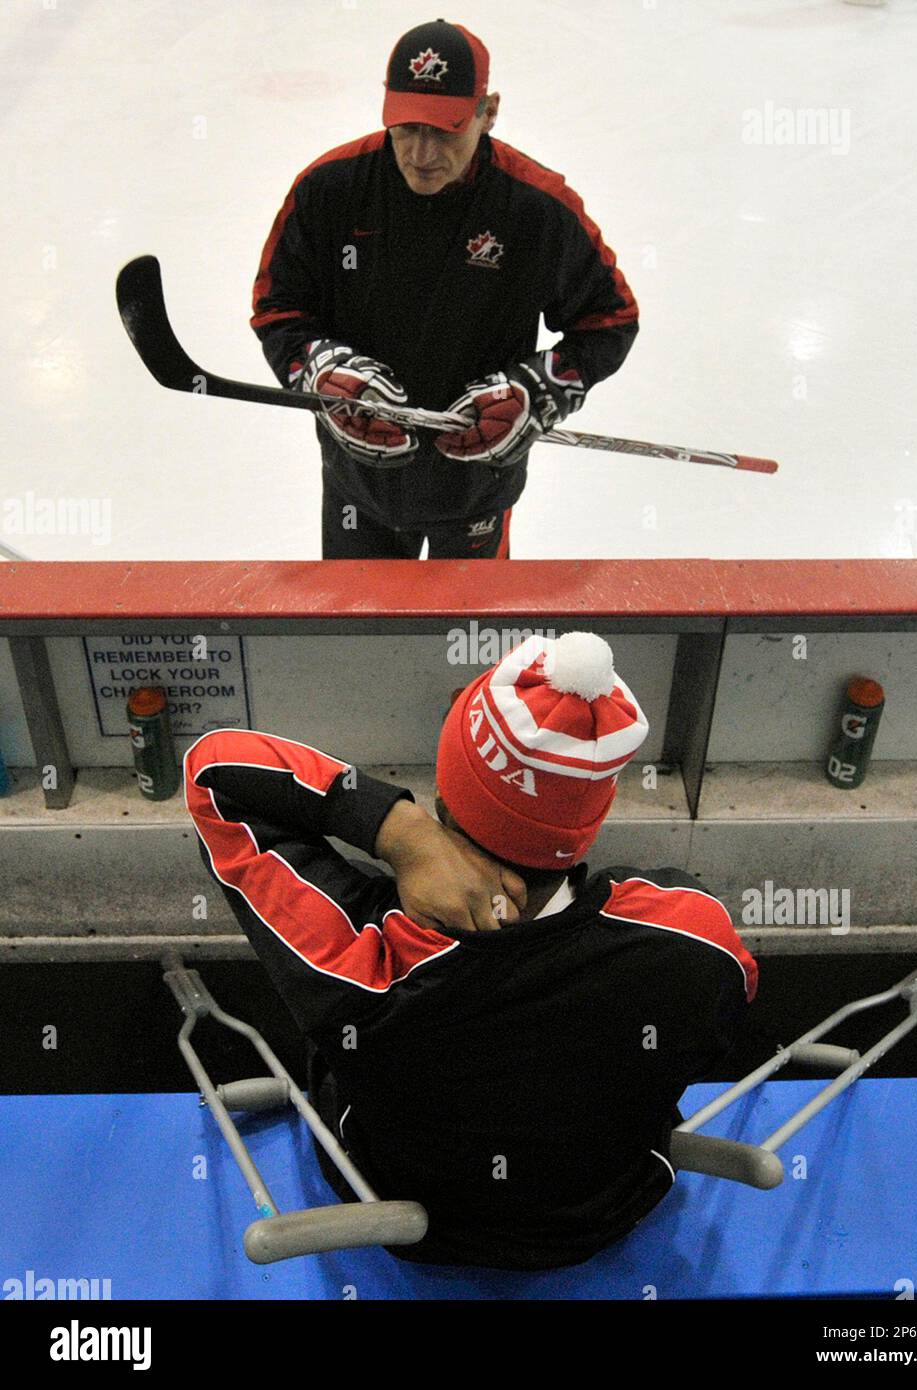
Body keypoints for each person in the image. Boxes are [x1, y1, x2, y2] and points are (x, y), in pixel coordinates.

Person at [184, 631, 757, 1270]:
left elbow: (215, 773)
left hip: (403, 1209)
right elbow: (714, 1024)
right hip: (609, 1209)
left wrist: (395, 830)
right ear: (593, 813)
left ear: (442, 803)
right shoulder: (698, 939)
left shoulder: (367, 959)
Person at [251, 19, 639, 560]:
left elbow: (609, 319)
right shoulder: (329, 189)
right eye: (407, 127)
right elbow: (279, 308)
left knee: (474, 641)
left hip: (478, 488)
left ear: (489, 111)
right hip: (358, 484)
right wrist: (317, 368)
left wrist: (540, 389)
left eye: (446, 129)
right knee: (361, 642)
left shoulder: (537, 207)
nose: (421, 154)